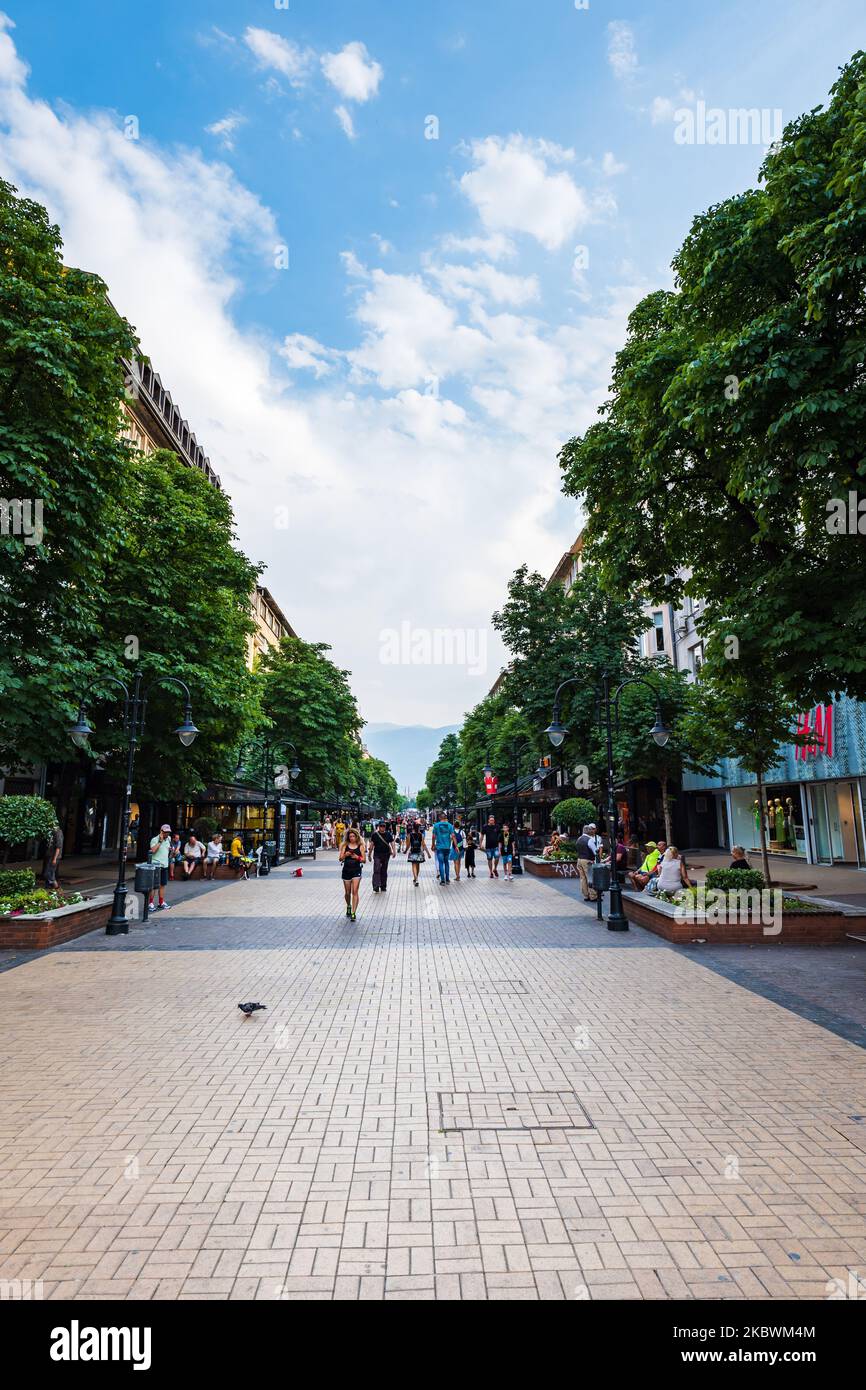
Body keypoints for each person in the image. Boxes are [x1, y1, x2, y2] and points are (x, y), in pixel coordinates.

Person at [339, 827, 365, 920]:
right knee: (347, 893)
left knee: (355, 892)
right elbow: (340, 859)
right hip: (346, 870)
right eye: (350, 836)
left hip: (356, 870)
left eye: (353, 836)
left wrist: (356, 857)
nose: (352, 838)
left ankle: (354, 912)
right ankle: (349, 905)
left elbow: (364, 860)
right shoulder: (345, 846)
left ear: (356, 836)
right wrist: (345, 855)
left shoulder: (360, 846)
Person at [148, 823, 172, 911]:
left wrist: (172, 852)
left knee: (162, 885)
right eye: (165, 832)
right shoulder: (155, 839)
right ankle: (150, 903)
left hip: (165, 865)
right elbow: (153, 851)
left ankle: (161, 902)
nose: (167, 834)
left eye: (168, 832)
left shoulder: (169, 839)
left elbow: (168, 853)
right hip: (156, 865)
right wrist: (160, 841)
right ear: (161, 831)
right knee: (154, 886)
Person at [575, 824, 599, 902]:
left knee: (583, 878)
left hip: (579, 860)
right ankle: (593, 896)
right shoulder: (590, 840)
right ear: (588, 831)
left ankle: (586, 895)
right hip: (587, 860)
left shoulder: (579, 839)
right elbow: (595, 851)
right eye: (590, 830)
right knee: (590, 878)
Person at [432, 811, 458, 884]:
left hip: (439, 847)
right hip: (447, 847)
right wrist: (456, 846)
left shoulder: (436, 825)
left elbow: (434, 836)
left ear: (440, 817)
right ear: (445, 817)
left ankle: (442, 880)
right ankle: (447, 879)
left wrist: (433, 845)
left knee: (441, 863)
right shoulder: (450, 826)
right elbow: (453, 836)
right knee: (446, 863)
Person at [370, 821, 395, 892]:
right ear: (378, 826)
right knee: (377, 869)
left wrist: (394, 851)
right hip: (377, 854)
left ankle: (383, 886)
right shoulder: (375, 835)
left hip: (386, 854)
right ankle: (376, 885)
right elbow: (372, 845)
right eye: (381, 826)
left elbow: (392, 842)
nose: (382, 827)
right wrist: (369, 854)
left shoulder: (388, 834)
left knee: (384, 870)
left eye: (384, 826)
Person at [405, 819, 430, 885]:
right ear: (418, 828)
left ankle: (416, 878)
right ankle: (416, 878)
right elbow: (423, 845)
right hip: (419, 851)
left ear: (413, 827)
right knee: (418, 865)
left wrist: (405, 851)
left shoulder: (410, 835)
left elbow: (408, 845)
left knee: (413, 865)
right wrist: (428, 853)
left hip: (412, 851)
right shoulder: (421, 835)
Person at [43, 819, 64, 889]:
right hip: (50, 855)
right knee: (48, 873)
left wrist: (55, 858)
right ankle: (49, 888)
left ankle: (57, 887)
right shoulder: (52, 832)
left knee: (49, 873)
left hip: (54, 856)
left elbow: (58, 846)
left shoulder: (58, 832)